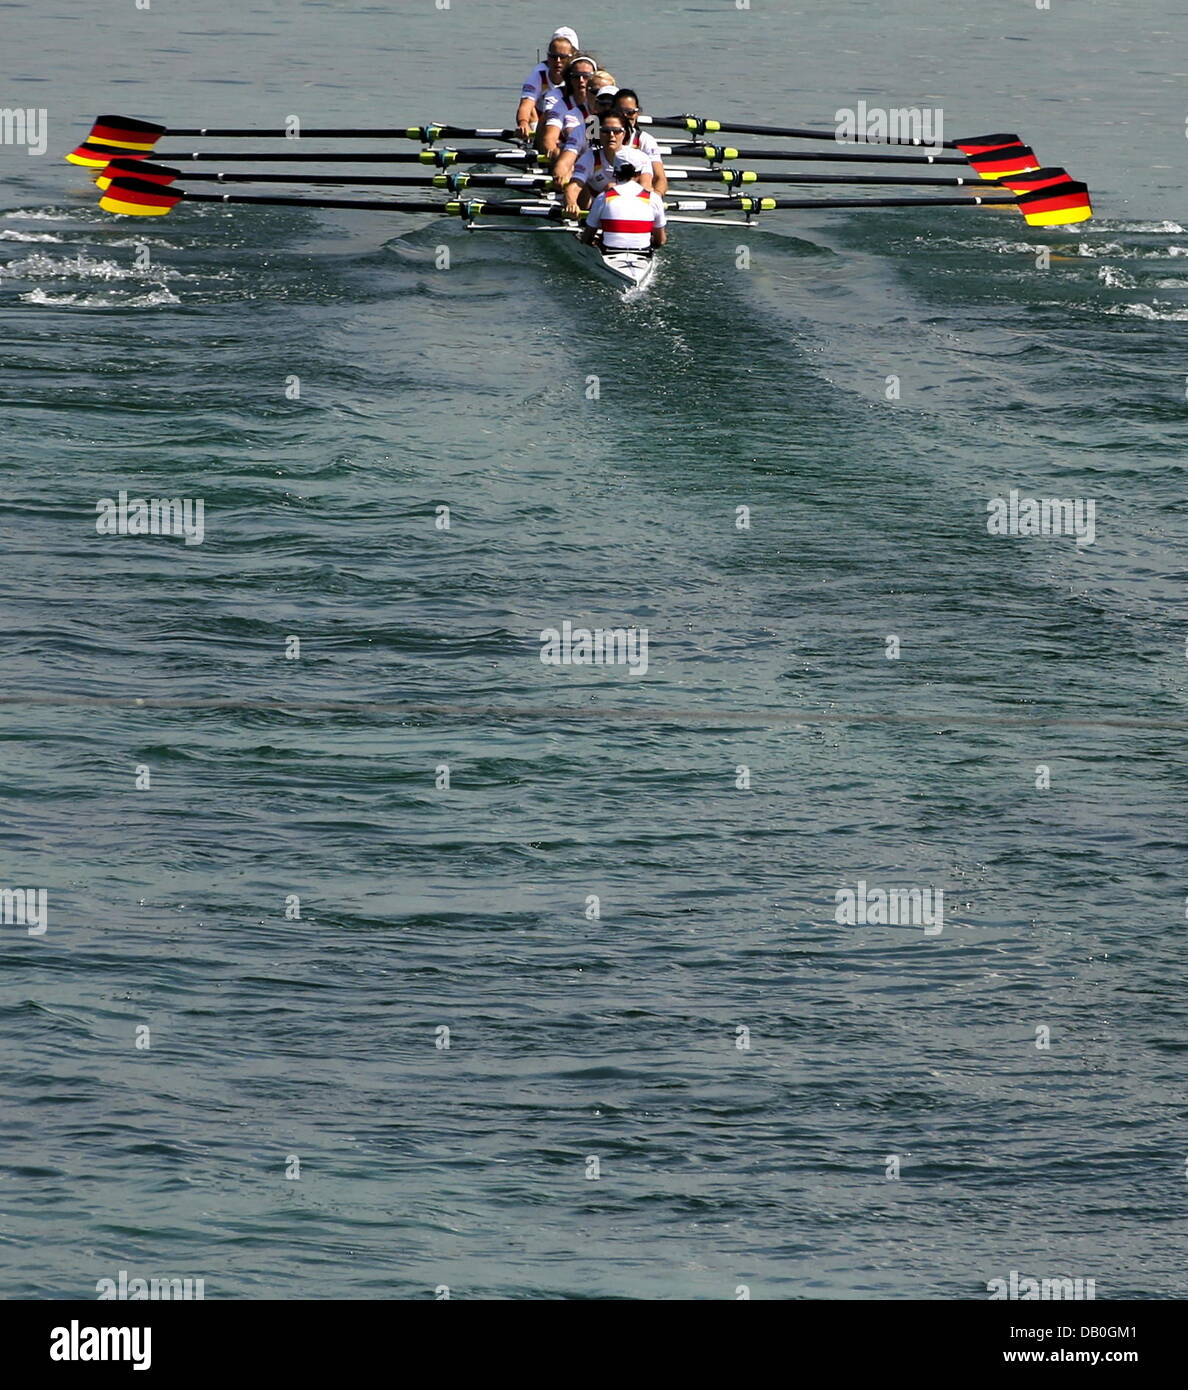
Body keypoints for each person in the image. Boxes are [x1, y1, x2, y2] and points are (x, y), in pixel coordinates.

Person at [543, 56, 601, 213]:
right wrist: (556, 158)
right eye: (576, 77)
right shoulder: (569, 109)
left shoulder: (620, 117)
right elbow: (554, 137)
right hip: (577, 157)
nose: (582, 81)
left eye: (587, 76)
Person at [581, 154, 667, 254]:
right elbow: (660, 241)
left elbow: (587, 238)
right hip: (642, 252)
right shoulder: (653, 198)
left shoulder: (603, 197)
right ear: (639, 174)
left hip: (609, 251)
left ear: (615, 173)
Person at [572, 117, 653, 209]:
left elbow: (646, 187)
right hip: (597, 207)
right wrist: (571, 204)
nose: (611, 135)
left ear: (624, 134)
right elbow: (573, 187)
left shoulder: (640, 157)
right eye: (605, 131)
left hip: (631, 207)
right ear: (599, 134)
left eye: (616, 131)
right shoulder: (589, 157)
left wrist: (617, 190)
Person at [515, 28, 580, 139]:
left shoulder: (580, 76)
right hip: (543, 122)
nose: (558, 61)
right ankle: (534, 139)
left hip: (571, 119)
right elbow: (526, 105)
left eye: (563, 57)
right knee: (532, 110)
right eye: (554, 56)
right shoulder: (539, 74)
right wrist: (523, 122)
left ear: (573, 56)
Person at [613, 89, 668, 195]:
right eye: (619, 112)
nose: (624, 117)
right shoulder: (600, 136)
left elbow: (660, 178)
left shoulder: (646, 140)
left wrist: (656, 198)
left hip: (637, 196)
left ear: (637, 114)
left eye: (630, 112)